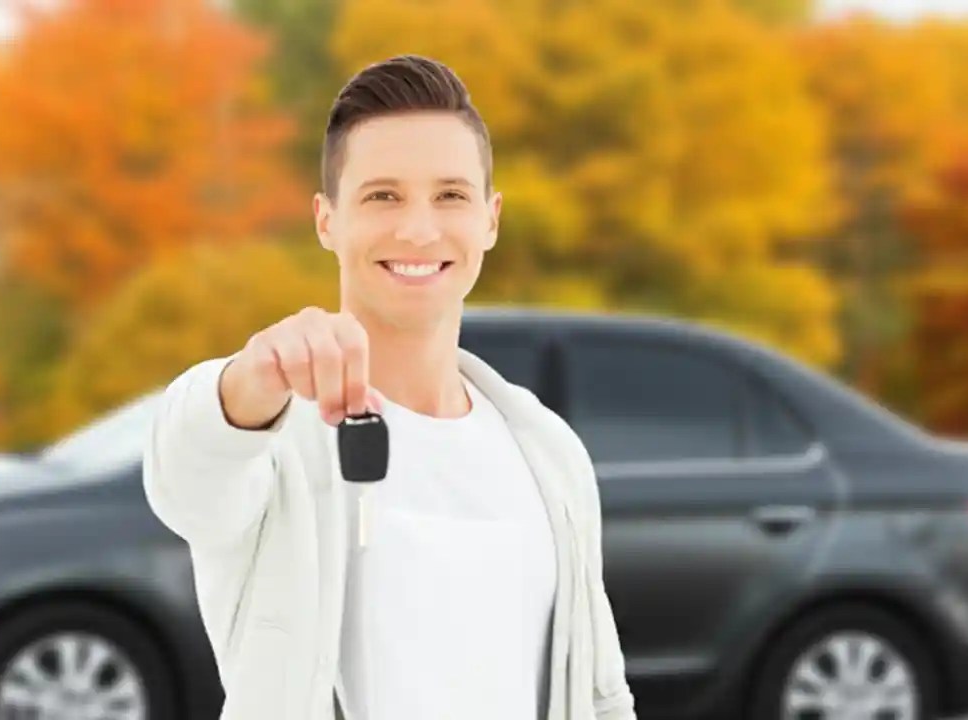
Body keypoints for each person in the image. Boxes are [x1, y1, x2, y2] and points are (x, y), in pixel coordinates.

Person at [143, 54, 635, 720]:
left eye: (450, 195)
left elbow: (601, 698)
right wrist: (249, 381)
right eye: (383, 196)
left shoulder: (549, 453)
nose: (418, 229)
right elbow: (186, 482)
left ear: (490, 220)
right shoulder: (278, 440)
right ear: (327, 221)